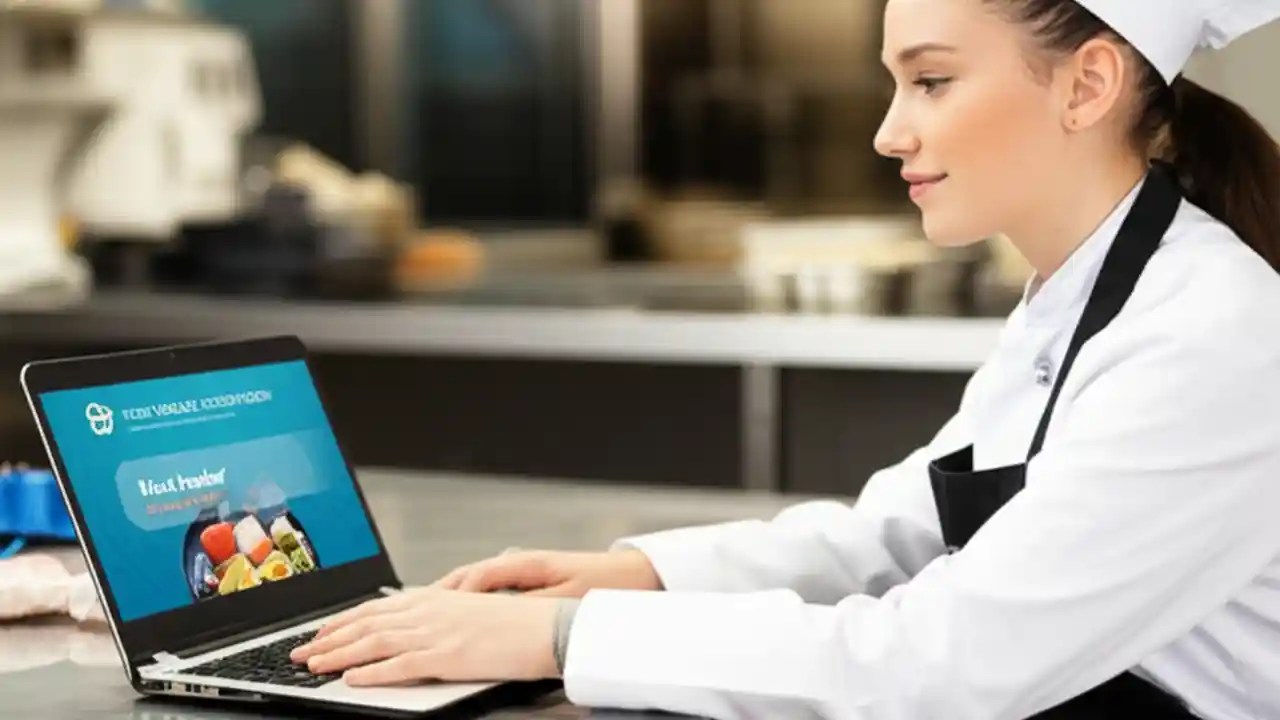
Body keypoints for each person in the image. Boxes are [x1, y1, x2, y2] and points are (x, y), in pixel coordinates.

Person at [292, 0, 1280, 717]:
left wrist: (560, 638)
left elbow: (954, 662)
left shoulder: (1209, 337)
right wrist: (631, 576)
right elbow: (896, 537)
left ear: (1087, 85)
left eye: (930, 80)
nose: (888, 132)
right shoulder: (1076, 298)